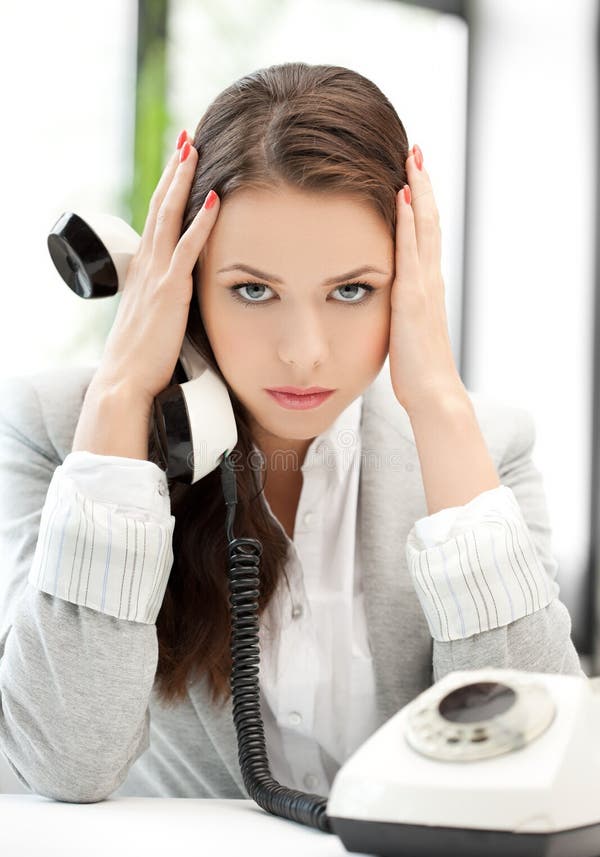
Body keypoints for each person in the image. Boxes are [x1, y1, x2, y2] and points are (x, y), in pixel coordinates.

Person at [0, 62, 585, 804]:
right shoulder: (59, 435)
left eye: (352, 290)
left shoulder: (485, 453)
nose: (304, 352)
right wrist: (122, 395)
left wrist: (439, 402)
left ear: (409, 285)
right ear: (181, 284)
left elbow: (541, 764)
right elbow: (65, 764)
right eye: (253, 289)